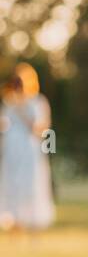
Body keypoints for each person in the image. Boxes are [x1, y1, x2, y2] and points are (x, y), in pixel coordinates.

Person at [0, 63, 56, 232]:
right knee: (12, 184)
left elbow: (41, 129)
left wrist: (21, 109)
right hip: (12, 151)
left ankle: (32, 219)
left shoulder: (38, 102)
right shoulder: (8, 103)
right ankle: (13, 220)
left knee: (30, 184)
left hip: (30, 152)